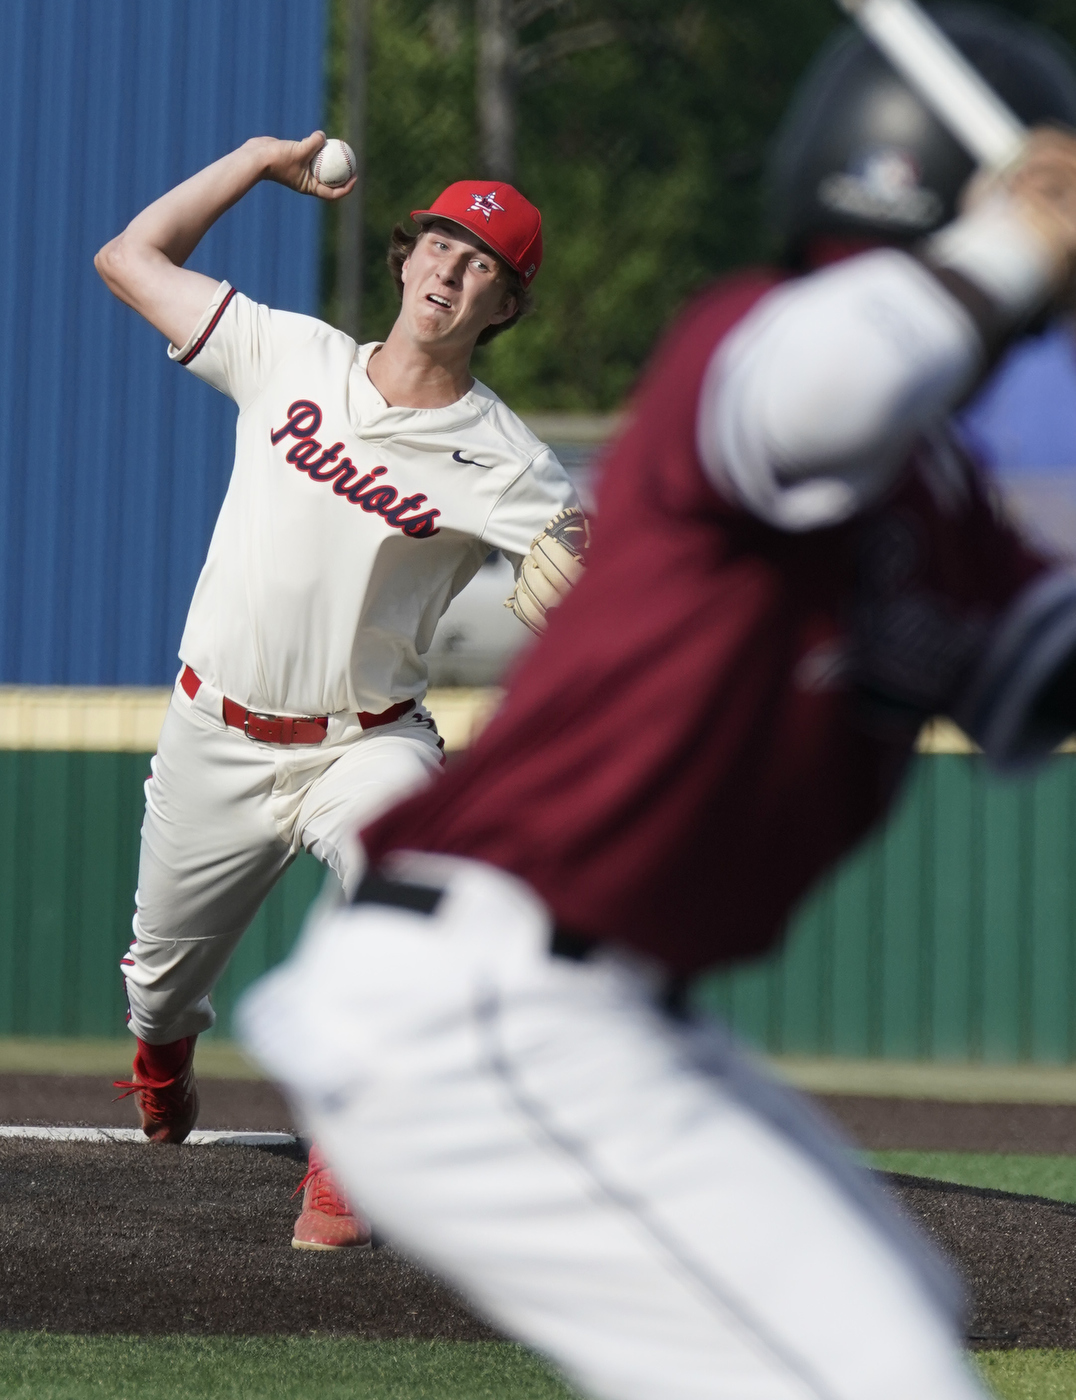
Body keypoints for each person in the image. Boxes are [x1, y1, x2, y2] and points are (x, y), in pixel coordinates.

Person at [240, 13, 1076, 1399]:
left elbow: (1035, 687)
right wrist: (1003, 253)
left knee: (907, 1315)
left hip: (616, 1019)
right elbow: (828, 385)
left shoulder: (946, 508)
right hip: (481, 997)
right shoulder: (749, 345)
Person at [94, 130, 583, 1250]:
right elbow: (128, 258)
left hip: (366, 741)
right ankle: (162, 1058)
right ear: (405, 257)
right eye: (440, 249)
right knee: (160, 986)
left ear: (502, 307)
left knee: (405, 897)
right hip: (216, 727)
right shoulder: (288, 355)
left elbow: (592, 586)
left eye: (481, 271)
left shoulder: (508, 462)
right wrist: (254, 160)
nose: (450, 277)